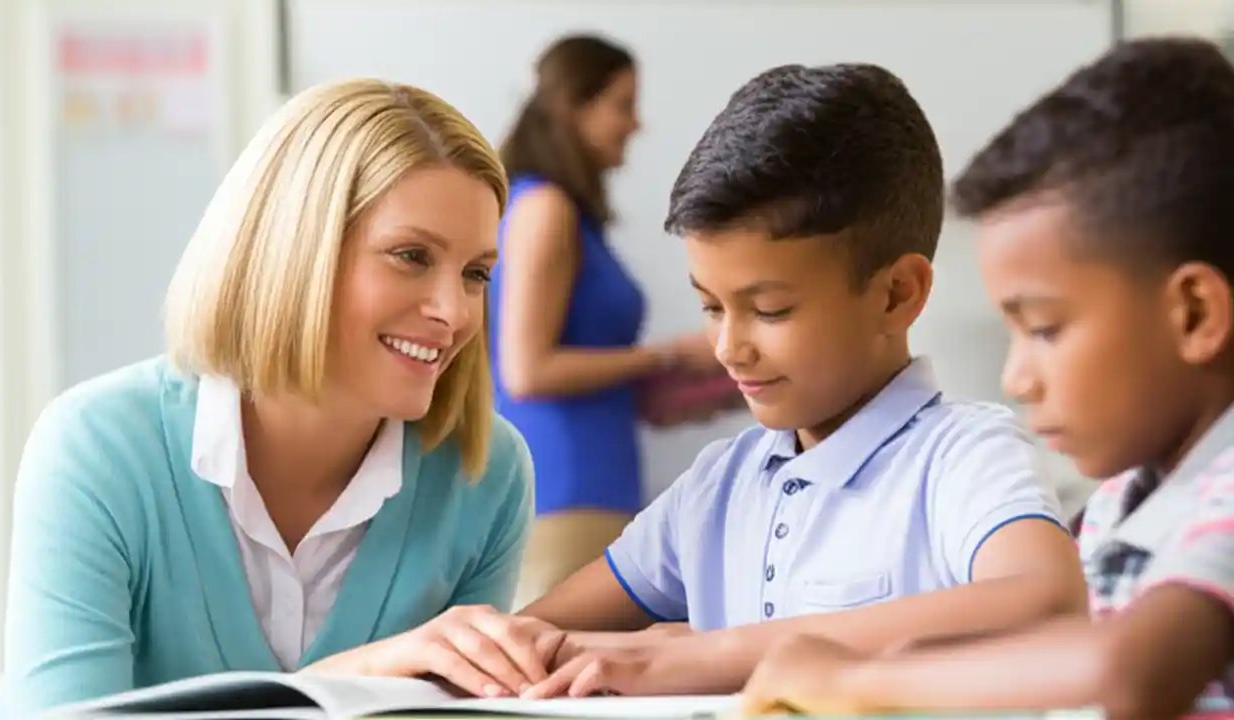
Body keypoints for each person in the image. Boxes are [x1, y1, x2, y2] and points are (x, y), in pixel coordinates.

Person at [0, 78, 563, 717]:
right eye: (410, 256)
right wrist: (344, 684)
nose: (454, 311)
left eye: (476, 274)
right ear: (294, 252)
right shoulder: (99, 447)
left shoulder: (487, 475)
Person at [510, 61, 1085, 698]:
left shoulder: (961, 458)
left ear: (897, 295)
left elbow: (1049, 606)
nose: (729, 348)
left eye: (770, 310)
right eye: (710, 306)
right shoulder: (716, 488)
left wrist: (715, 653)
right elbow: (529, 639)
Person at [740, 38, 1234, 720]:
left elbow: (1130, 675)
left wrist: (855, 682)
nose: (1018, 378)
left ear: (1195, 313)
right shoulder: (1121, 504)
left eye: (1045, 328)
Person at [490, 34, 716, 607]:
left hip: (592, 484)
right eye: (622, 104)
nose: (635, 124)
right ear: (574, 106)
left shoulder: (558, 213)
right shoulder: (546, 210)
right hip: (565, 488)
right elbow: (528, 370)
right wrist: (669, 354)